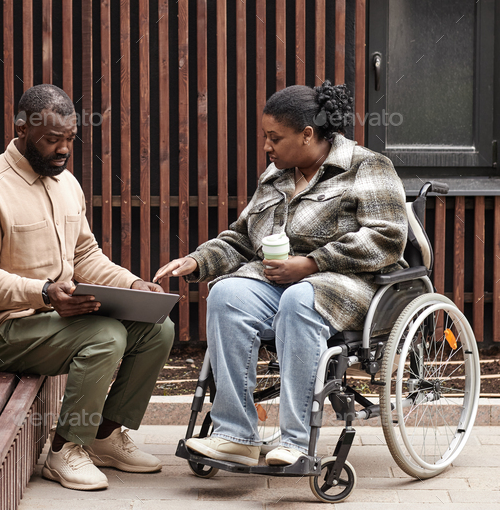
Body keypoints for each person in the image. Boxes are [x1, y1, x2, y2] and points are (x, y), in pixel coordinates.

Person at [154, 82, 408, 468]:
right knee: (225, 294)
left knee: (298, 298)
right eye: (266, 137)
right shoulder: (276, 177)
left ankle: (295, 440)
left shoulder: (366, 166)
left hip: (350, 284)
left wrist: (313, 263)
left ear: (307, 134)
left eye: (275, 138)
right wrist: (198, 261)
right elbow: (241, 238)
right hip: (281, 281)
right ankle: (235, 435)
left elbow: (387, 237)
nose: (267, 147)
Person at [0, 84, 174, 491]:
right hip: (5, 331)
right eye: (52, 140)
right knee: (105, 335)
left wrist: (133, 284)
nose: (63, 150)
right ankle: (65, 450)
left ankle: (105, 436)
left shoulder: (66, 184)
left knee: (158, 327)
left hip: (58, 318)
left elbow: (86, 254)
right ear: (21, 129)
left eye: (70, 139)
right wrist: (43, 292)